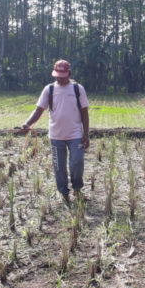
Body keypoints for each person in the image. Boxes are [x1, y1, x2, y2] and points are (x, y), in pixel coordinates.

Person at [21, 60, 90, 203]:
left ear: (69, 74)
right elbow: (39, 109)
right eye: (57, 75)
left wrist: (86, 135)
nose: (60, 78)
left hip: (75, 134)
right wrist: (27, 123)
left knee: (77, 163)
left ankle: (77, 190)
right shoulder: (49, 89)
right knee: (59, 167)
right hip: (56, 135)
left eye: (63, 75)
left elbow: (84, 112)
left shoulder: (78, 89)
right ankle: (64, 193)